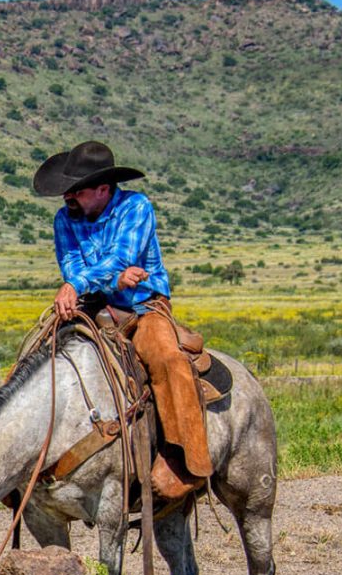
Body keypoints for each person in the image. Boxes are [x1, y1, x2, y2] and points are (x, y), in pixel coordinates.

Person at [33, 140, 211, 500]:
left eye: (77, 190)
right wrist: (104, 281)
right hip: (93, 307)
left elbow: (119, 258)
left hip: (141, 307)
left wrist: (85, 282)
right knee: (34, 358)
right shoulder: (65, 218)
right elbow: (75, 266)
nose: (68, 196)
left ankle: (187, 460)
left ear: (103, 189)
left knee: (167, 358)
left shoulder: (136, 207)